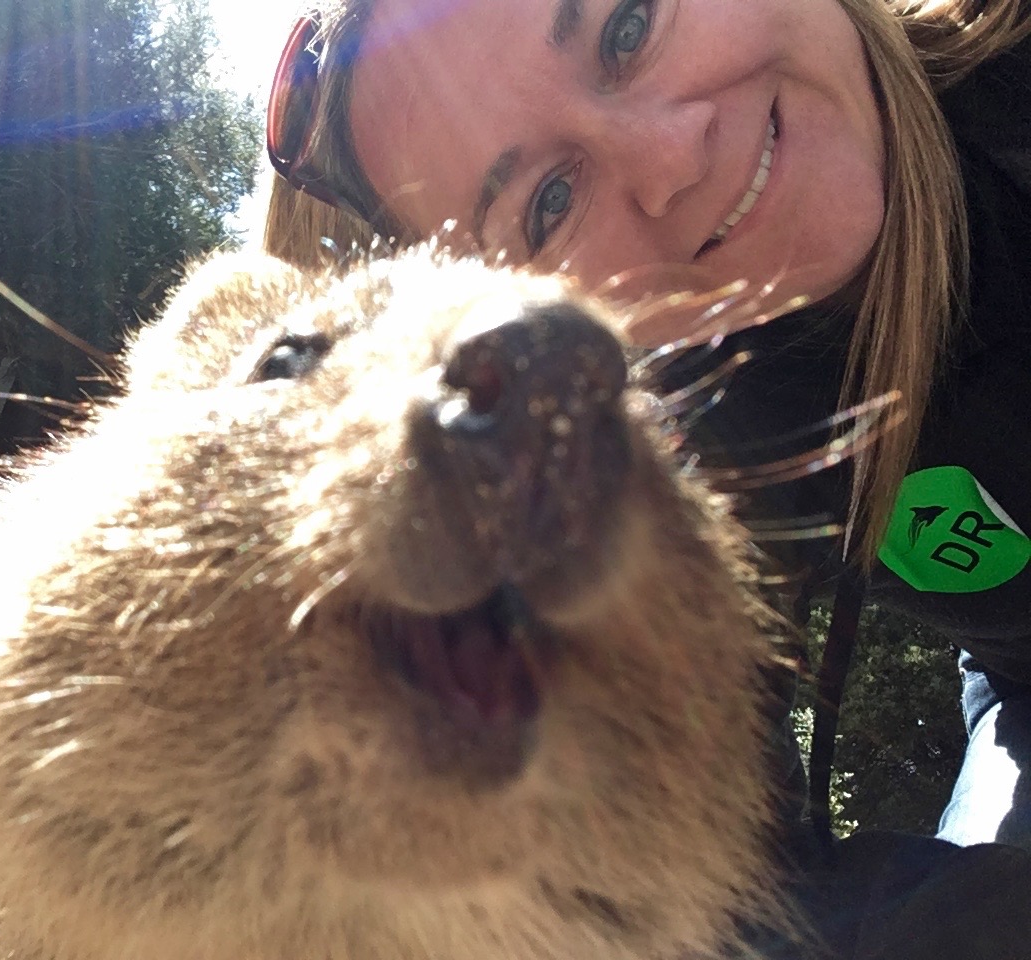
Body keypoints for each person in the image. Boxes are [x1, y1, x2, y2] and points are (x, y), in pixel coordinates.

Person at [259, 0, 1031, 956]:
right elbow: (733, 885)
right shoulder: (702, 460)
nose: (671, 160)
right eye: (549, 203)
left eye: (627, 29)